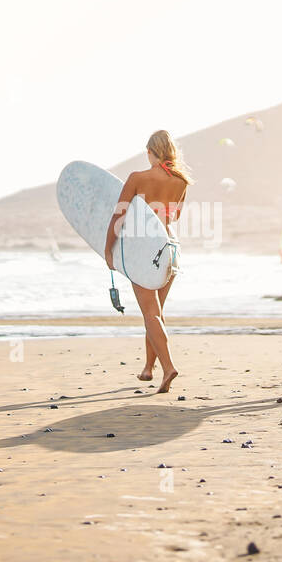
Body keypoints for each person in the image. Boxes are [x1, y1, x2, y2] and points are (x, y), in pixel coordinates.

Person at [105, 130, 191, 394]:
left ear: (151, 151)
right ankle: (148, 368)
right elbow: (173, 218)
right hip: (170, 248)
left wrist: (109, 250)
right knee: (156, 312)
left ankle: (167, 368)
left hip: (145, 251)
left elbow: (118, 215)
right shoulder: (181, 181)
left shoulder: (137, 178)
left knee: (150, 313)